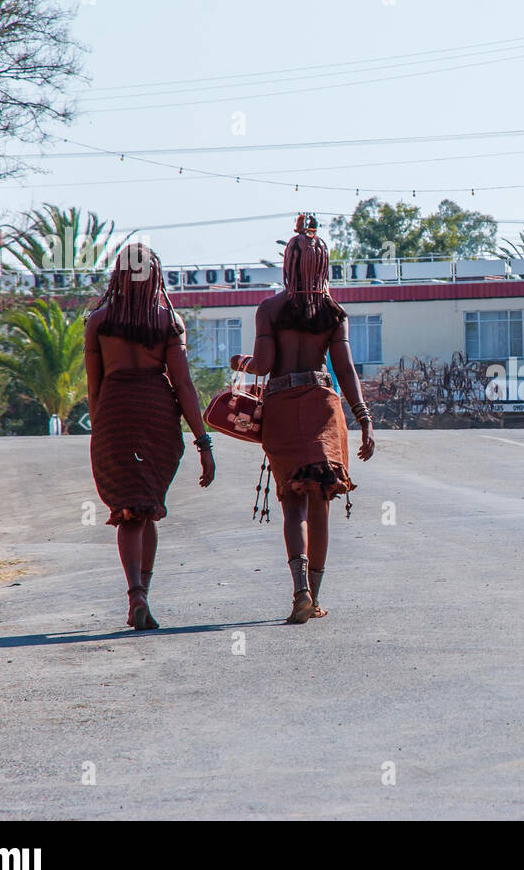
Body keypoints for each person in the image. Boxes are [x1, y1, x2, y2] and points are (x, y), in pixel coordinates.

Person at [233, 214, 375, 624]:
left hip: (280, 409)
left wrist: (240, 361)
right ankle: (315, 595)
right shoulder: (334, 313)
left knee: (292, 502)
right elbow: (345, 370)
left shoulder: (270, 309)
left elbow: (262, 365)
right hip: (322, 410)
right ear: (323, 266)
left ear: (288, 265)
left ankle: (301, 591)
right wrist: (363, 418)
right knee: (321, 501)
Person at [85, 244, 215, 630]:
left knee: (129, 511)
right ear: (156, 276)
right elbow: (184, 386)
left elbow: (95, 388)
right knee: (148, 507)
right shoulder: (168, 322)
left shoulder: (98, 321)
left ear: (119, 275)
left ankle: (136, 594)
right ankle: (143, 593)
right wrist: (203, 442)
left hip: (114, 416)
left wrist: (101, 433)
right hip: (157, 419)